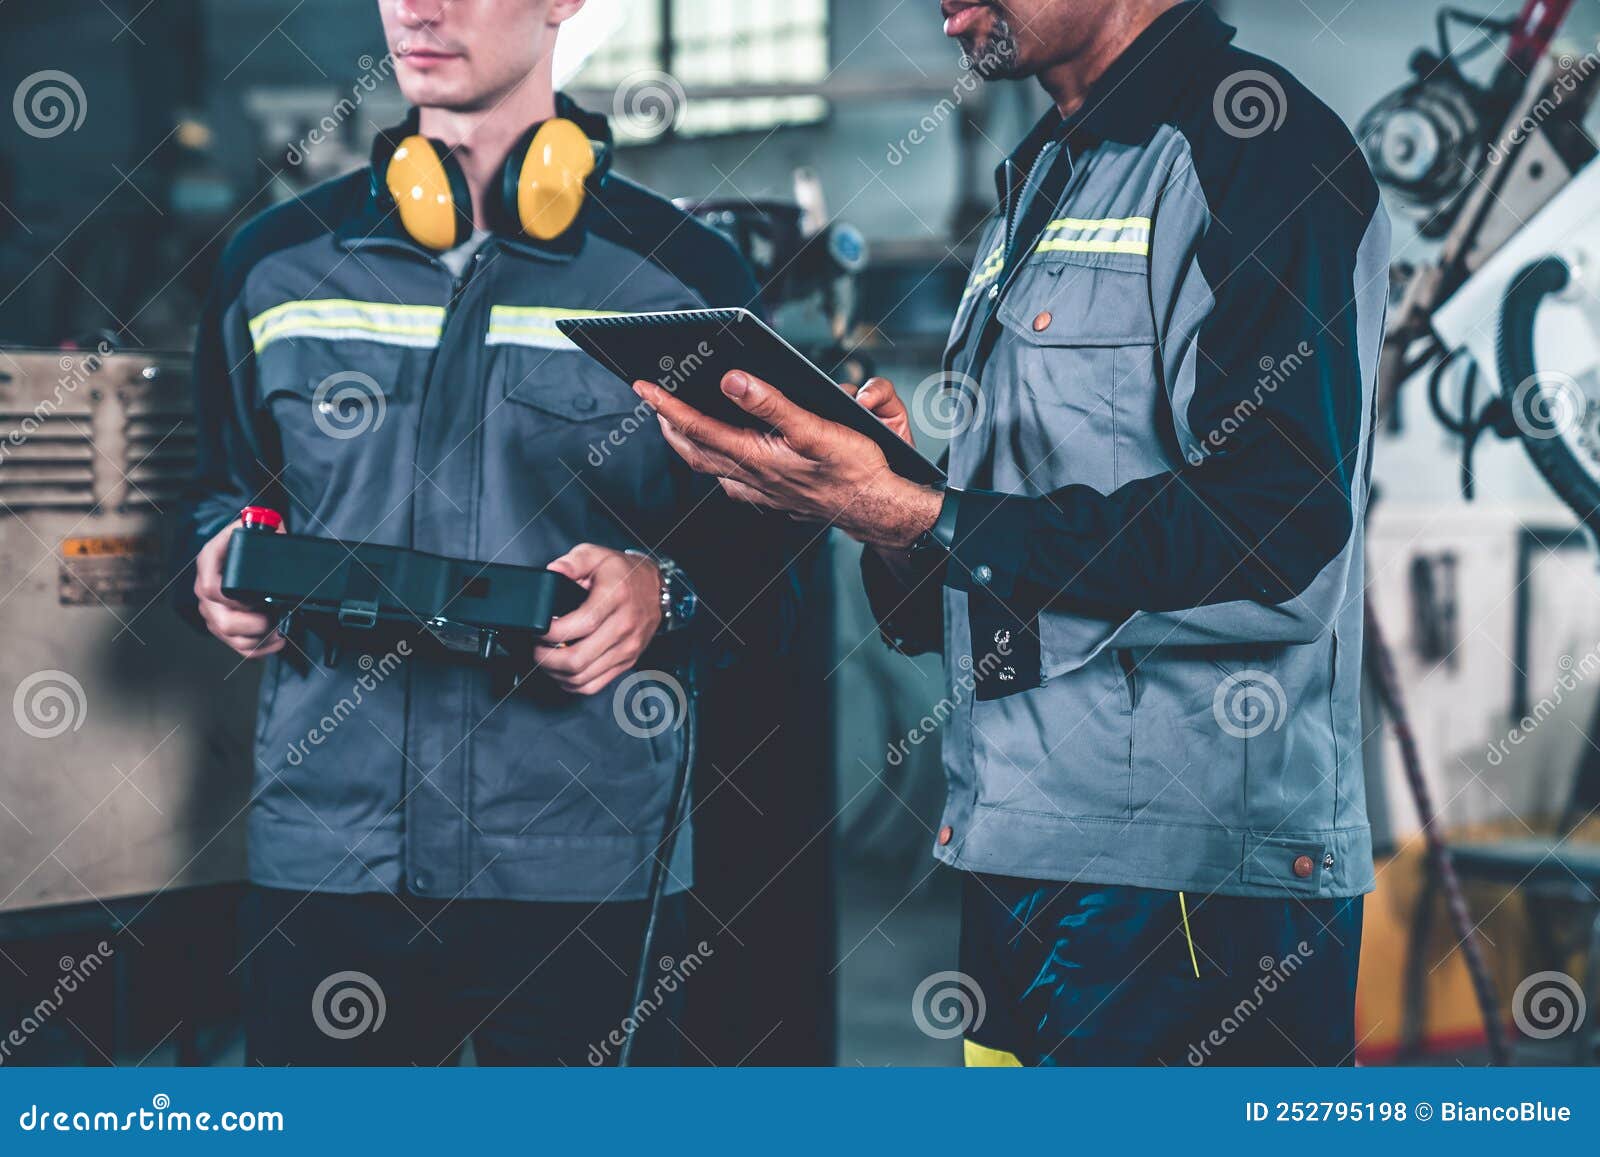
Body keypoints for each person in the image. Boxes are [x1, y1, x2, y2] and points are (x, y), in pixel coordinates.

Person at [639, 0, 1388, 1066]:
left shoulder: (1257, 150)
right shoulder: (1041, 176)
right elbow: (998, 544)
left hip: (1185, 886)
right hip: (1013, 844)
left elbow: (1280, 536)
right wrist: (877, 508)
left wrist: (926, 511)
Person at [178, 0, 798, 1065]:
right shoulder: (271, 264)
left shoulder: (683, 277)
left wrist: (663, 590)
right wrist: (223, 551)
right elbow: (230, 486)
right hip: (328, 858)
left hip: (581, 861)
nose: (417, 8)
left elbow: (768, 559)